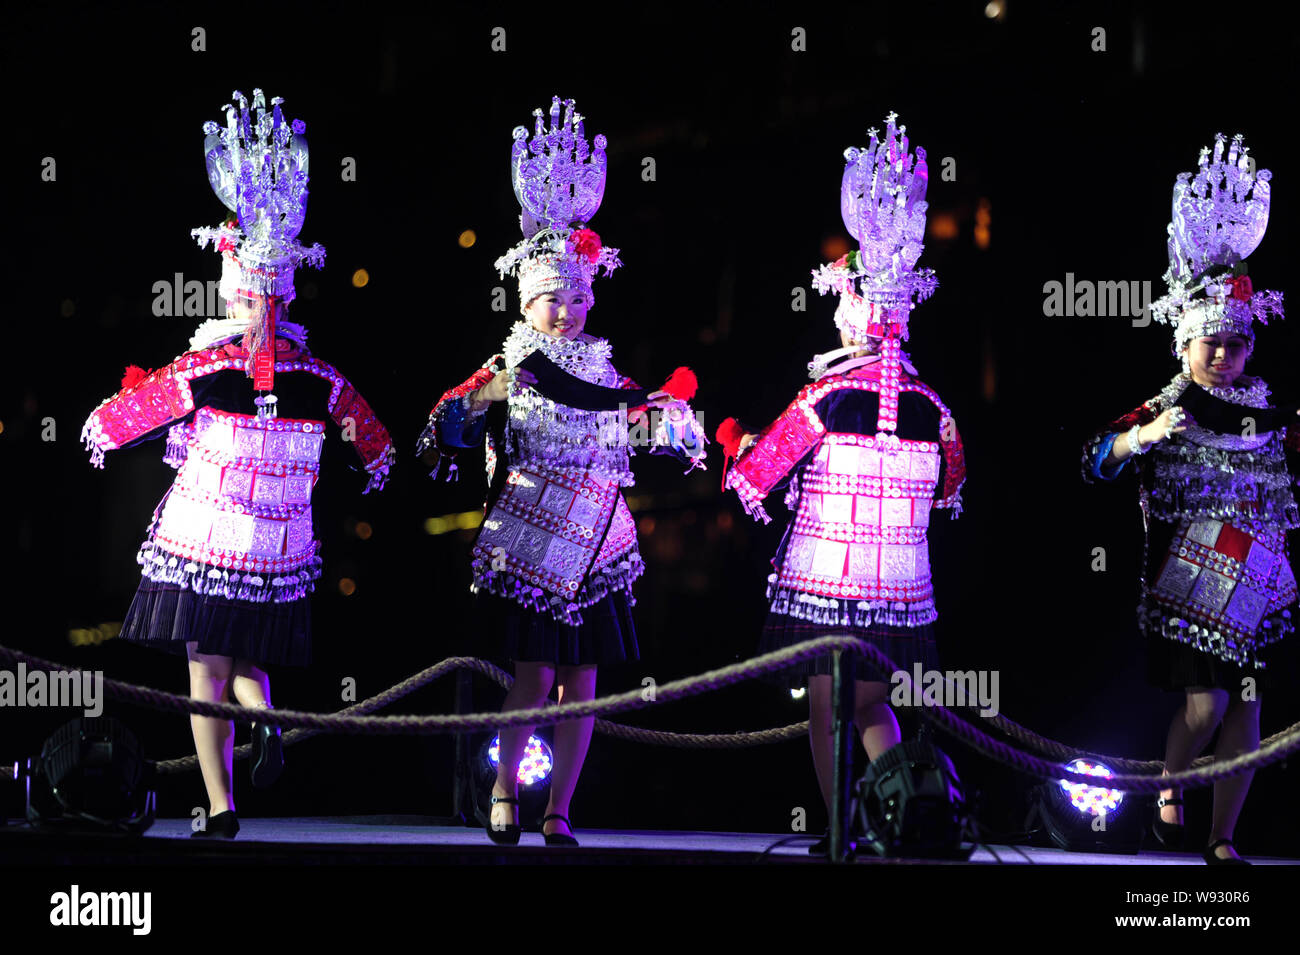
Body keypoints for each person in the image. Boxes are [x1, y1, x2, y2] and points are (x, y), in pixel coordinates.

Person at [82, 90, 395, 839]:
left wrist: (97, 426)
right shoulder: (320, 377)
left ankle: (220, 805)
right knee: (247, 661)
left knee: (202, 665)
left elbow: (129, 414)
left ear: (241, 293)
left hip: (207, 539)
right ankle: (263, 722)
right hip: (277, 547)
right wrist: (375, 462)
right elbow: (371, 442)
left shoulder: (208, 365)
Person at [416, 96, 705, 847]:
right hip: (532, 535)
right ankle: (506, 792)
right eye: (553, 298)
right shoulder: (509, 365)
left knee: (583, 687)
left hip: (600, 536)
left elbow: (650, 425)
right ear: (527, 299)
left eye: (577, 296)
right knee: (535, 677)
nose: (567, 310)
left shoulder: (606, 367)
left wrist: (676, 418)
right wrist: (481, 402)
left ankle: (560, 809)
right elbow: (445, 424)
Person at [718, 114, 965, 856]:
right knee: (872, 703)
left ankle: (841, 833)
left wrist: (732, 443)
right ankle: (900, 823)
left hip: (828, 581)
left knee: (829, 702)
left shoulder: (823, 399)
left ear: (854, 308)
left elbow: (757, 476)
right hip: (899, 584)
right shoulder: (936, 408)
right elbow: (953, 486)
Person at [1083, 131, 1295, 865]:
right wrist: (1140, 441)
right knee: (1205, 706)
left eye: (1235, 344)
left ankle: (1222, 837)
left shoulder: (1270, 413)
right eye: (1210, 343)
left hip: (1258, 586)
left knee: (1247, 714)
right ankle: (1170, 794)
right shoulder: (1170, 405)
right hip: (1191, 589)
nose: (1223, 355)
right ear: (1183, 342)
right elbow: (1094, 460)